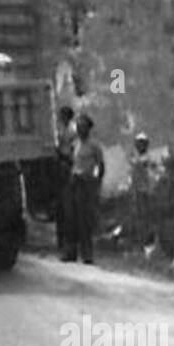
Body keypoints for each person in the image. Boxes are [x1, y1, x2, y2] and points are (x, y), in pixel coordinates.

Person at [63, 112, 105, 264]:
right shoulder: (75, 144)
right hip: (74, 182)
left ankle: (87, 255)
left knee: (84, 220)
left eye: (83, 127)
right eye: (79, 127)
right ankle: (71, 253)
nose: (80, 130)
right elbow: (71, 162)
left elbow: (100, 166)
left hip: (86, 184)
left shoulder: (94, 146)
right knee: (70, 219)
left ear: (88, 129)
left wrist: (96, 183)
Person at [52, 106, 76, 254]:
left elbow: (71, 150)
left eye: (62, 116)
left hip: (68, 166)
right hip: (59, 168)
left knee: (67, 209)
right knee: (60, 208)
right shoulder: (58, 129)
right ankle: (61, 242)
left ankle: (68, 243)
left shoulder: (72, 131)